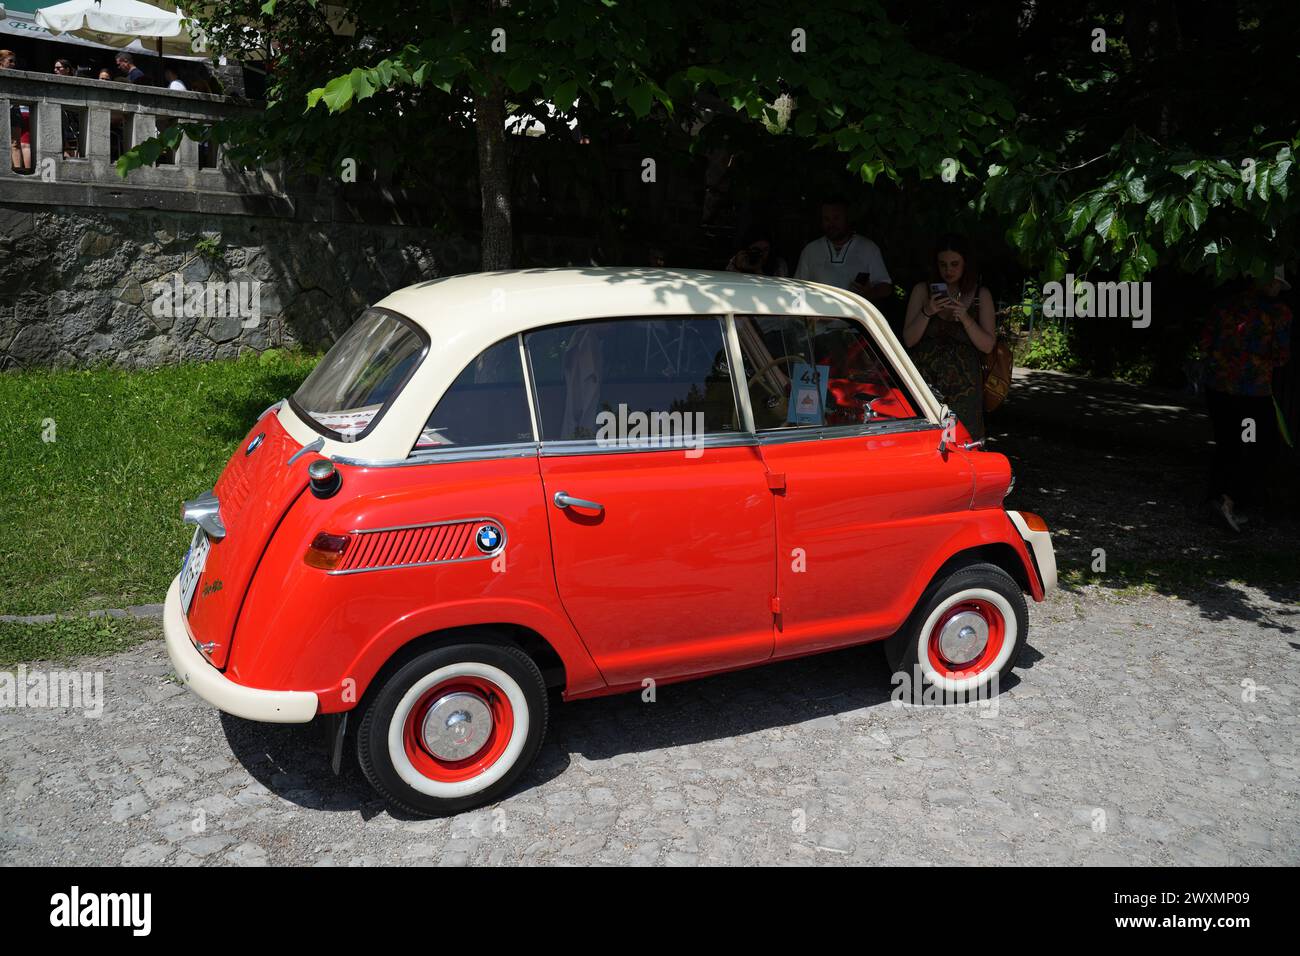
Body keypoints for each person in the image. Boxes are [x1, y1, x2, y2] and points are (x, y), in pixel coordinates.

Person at [1200, 268, 1293, 532]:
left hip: (1218, 387)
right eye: (1276, 283)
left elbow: (1205, 342)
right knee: (1257, 447)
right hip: (1252, 393)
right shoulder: (1279, 313)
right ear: (1266, 281)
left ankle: (1214, 498)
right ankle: (1229, 501)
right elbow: (1281, 356)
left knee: (1226, 444)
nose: (1278, 289)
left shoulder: (1224, 305)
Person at [902, 234, 997, 440]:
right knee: (925, 442)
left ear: (966, 265)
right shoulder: (923, 291)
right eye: (943, 264)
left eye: (955, 264)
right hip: (926, 385)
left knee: (962, 442)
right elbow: (908, 340)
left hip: (965, 390)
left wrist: (965, 318)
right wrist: (927, 311)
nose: (948, 270)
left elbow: (988, 345)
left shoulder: (981, 295)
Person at [793, 198, 893, 301]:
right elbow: (797, 288)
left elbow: (886, 287)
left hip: (854, 315)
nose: (831, 224)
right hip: (819, 315)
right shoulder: (811, 250)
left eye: (836, 218)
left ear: (847, 218)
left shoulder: (868, 248)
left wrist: (869, 293)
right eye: (826, 219)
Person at [2, 50, 34, 173]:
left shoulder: (16, 76)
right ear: (1, 62)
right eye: (10, 61)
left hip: (14, 108)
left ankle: (18, 170)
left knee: (16, 142)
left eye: (14, 62)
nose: (13, 64)